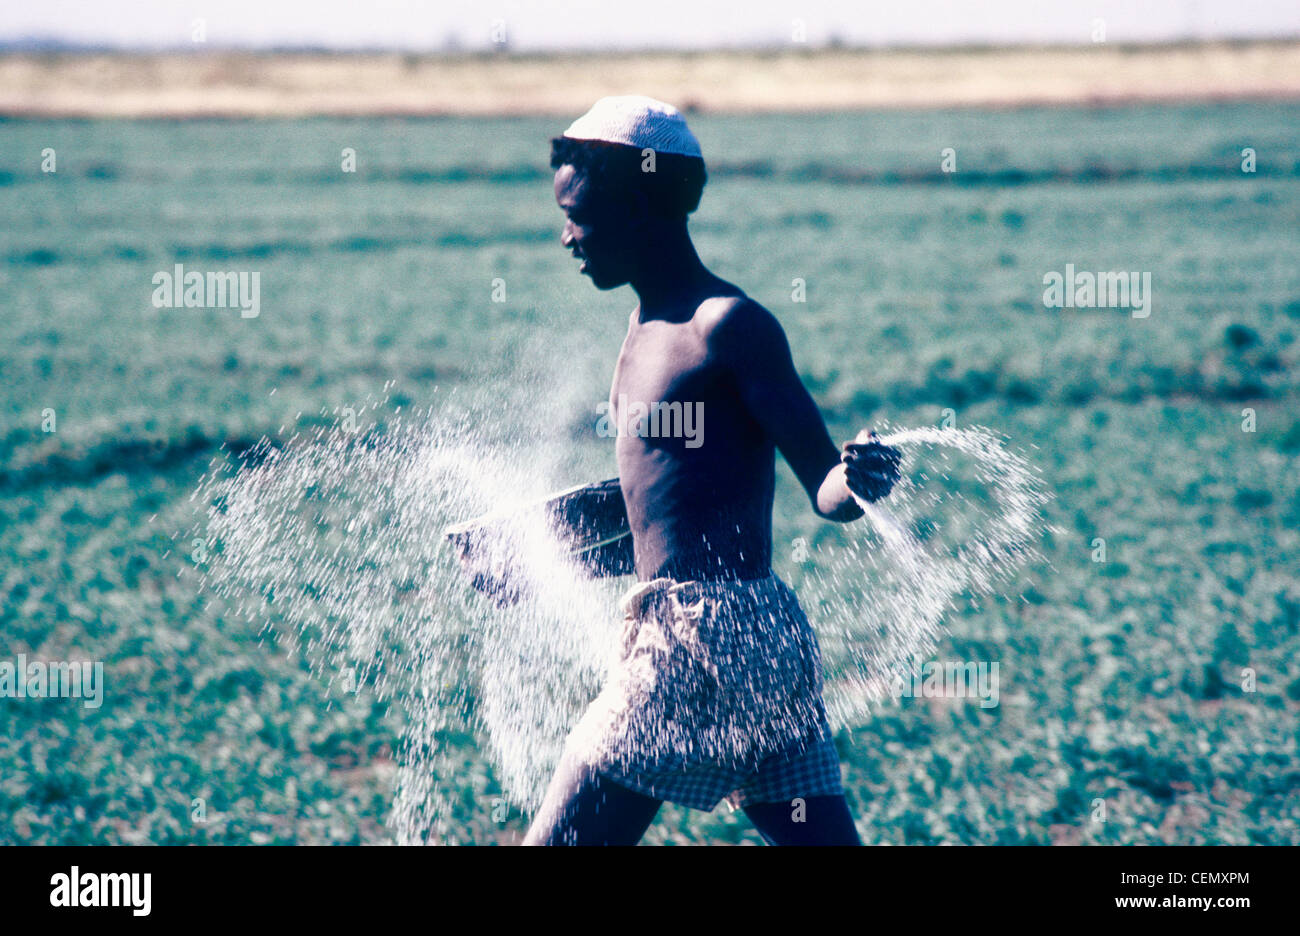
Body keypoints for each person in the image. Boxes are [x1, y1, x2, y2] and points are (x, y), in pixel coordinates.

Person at [522, 96, 901, 846]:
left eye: (582, 216)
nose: (568, 236)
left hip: (698, 644)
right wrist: (546, 547)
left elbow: (823, 484)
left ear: (641, 208)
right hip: (761, 643)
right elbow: (670, 499)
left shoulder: (727, 326)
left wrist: (858, 479)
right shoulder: (645, 322)